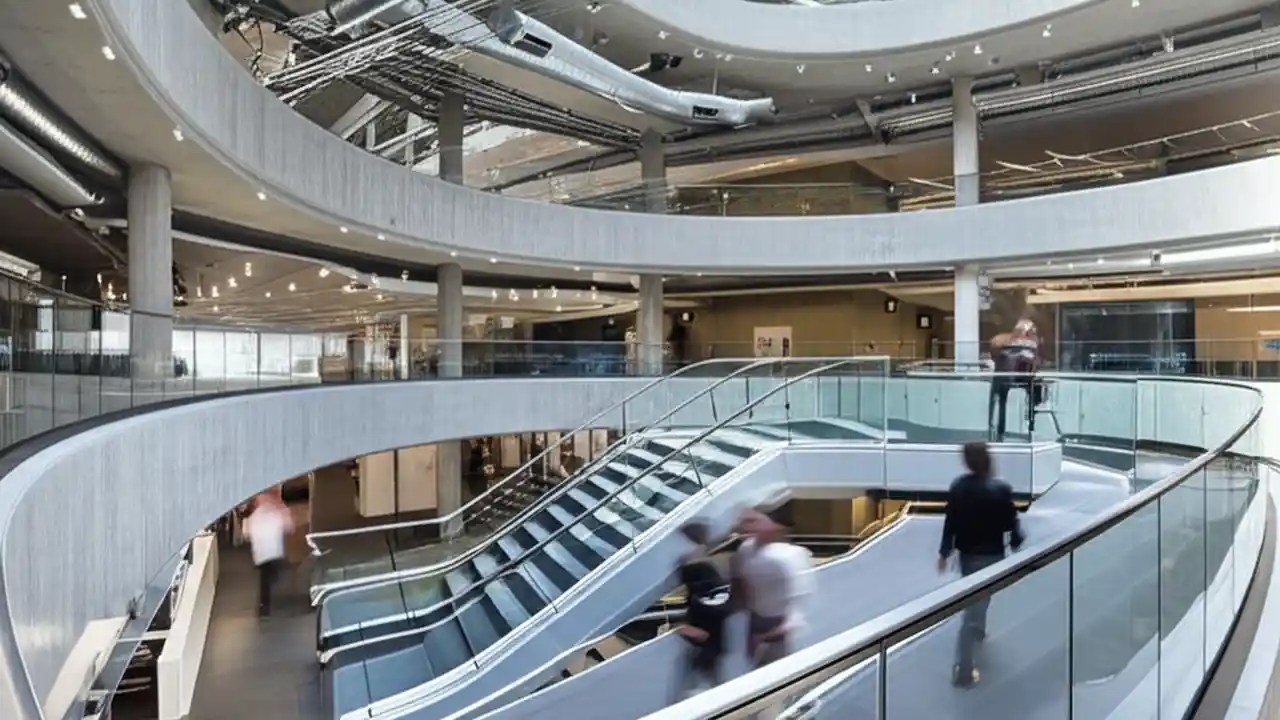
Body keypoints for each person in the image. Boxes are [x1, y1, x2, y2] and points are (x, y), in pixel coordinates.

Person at [937, 442, 1025, 688]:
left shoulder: (959, 488)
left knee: (975, 602)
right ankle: (964, 670)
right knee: (976, 608)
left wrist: (944, 553)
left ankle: (977, 634)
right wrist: (1017, 542)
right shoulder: (1000, 490)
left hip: (968, 556)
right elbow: (1011, 524)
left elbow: (950, 523)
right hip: (993, 556)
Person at [733, 508, 814, 668]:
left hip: (779, 627)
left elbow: (799, 605)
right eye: (745, 523)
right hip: (755, 622)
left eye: (753, 521)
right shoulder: (745, 550)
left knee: (777, 671)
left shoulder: (792, 556)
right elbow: (740, 583)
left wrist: (771, 635)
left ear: (773, 526)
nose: (747, 528)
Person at [673, 521, 731, 700]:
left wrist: (686, 629)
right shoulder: (705, 570)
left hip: (707, 648)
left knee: (700, 689)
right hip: (710, 646)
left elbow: (712, 617)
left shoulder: (701, 573)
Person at [988, 318, 1041, 442]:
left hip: (1007, 377)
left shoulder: (1003, 341)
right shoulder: (1026, 343)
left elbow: (1034, 362)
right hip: (1010, 378)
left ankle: (1000, 429)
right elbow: (1034, 362)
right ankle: (1028, 422)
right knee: (1001, 400)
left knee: (1001, 401)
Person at [245, 490, 294, 617]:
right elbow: (289, 526)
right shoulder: (272, 514)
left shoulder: (257, 517)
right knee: (269, 578)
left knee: (267, 579)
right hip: (271, 554)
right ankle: (265, 606)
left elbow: (247, 534)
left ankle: (264, 607)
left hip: (264, 555)